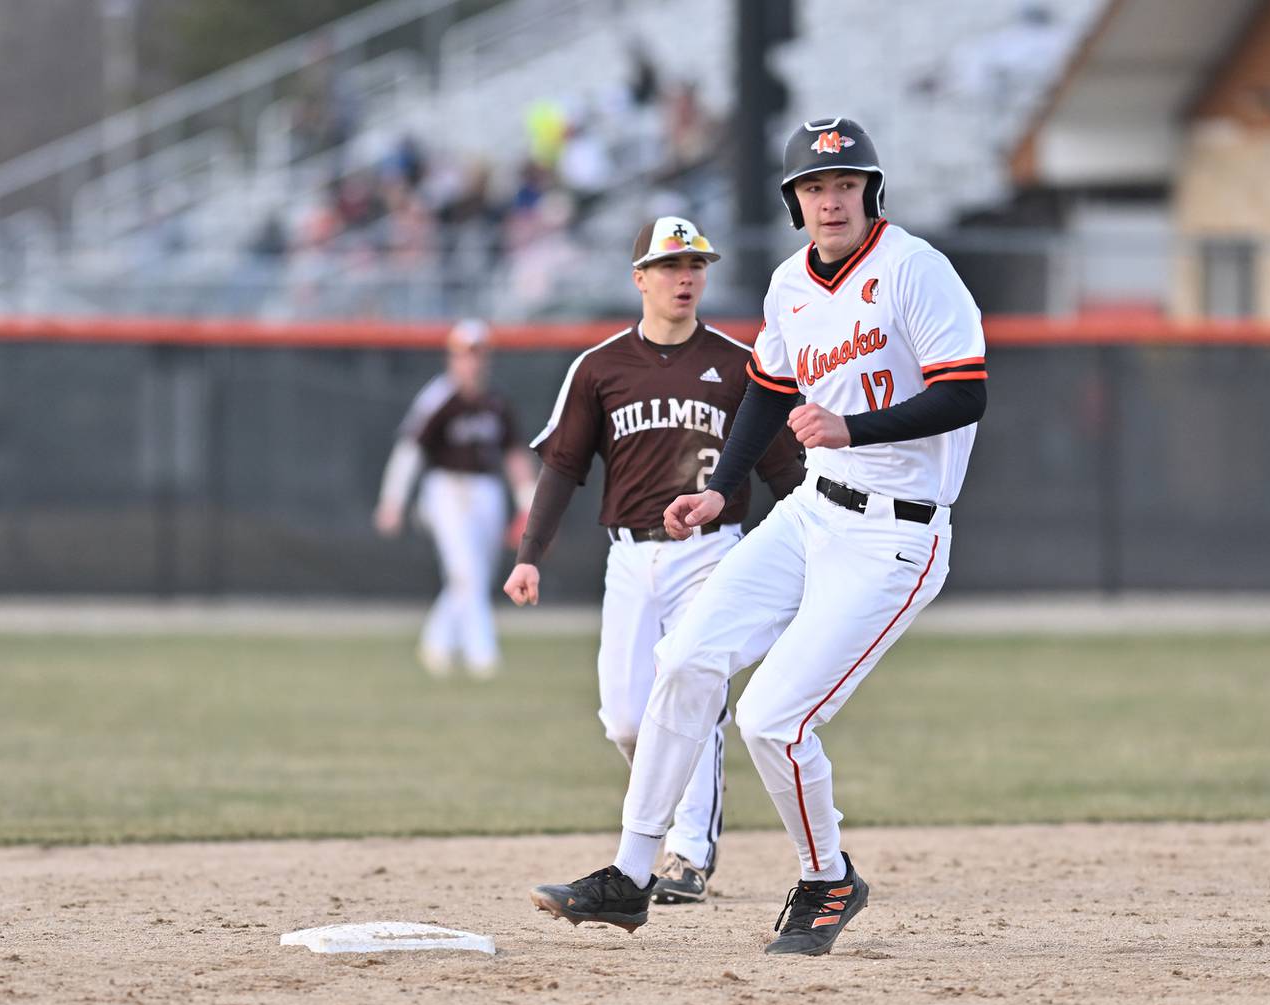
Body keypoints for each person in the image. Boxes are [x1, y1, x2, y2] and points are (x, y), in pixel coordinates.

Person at [530, 118, 988, 954]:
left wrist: (854, 427)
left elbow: (965, 394)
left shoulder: (916, 269)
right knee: (684, 660)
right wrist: (716, 492)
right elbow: (768, 394)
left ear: (870, 192)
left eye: (846, 183)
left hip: (896, 537)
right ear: (794, 202)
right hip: (813, 510)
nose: (831, 199)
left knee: (774, 719)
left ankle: (827, 877)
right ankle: (632, 876)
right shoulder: (788, 285)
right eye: (815, 187)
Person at [505, 216, 804, 904]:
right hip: (629, 558)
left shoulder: (739, 366)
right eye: (670, 266)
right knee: (626, 720)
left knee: (689, 685)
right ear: (639, 278)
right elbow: (563, 466)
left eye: (696, 265)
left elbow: (786, 471)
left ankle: (689, 855)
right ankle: (671, 801)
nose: (686, 277)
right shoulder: (601, 367)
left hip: (711, 552)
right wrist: (530, 556)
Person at [374, 319, 537, 678]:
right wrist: (392, 500)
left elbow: (514, 455)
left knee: (476, 574)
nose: (471, 362)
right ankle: (483, 656)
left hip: (487, 491)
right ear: (452, 357)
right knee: (465, 571)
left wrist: (528, 502)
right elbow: (409, 451)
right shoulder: (439, 398)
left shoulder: (496, 402)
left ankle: (436, 644)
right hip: (446, 488)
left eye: (478, 354)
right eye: (464, 354)